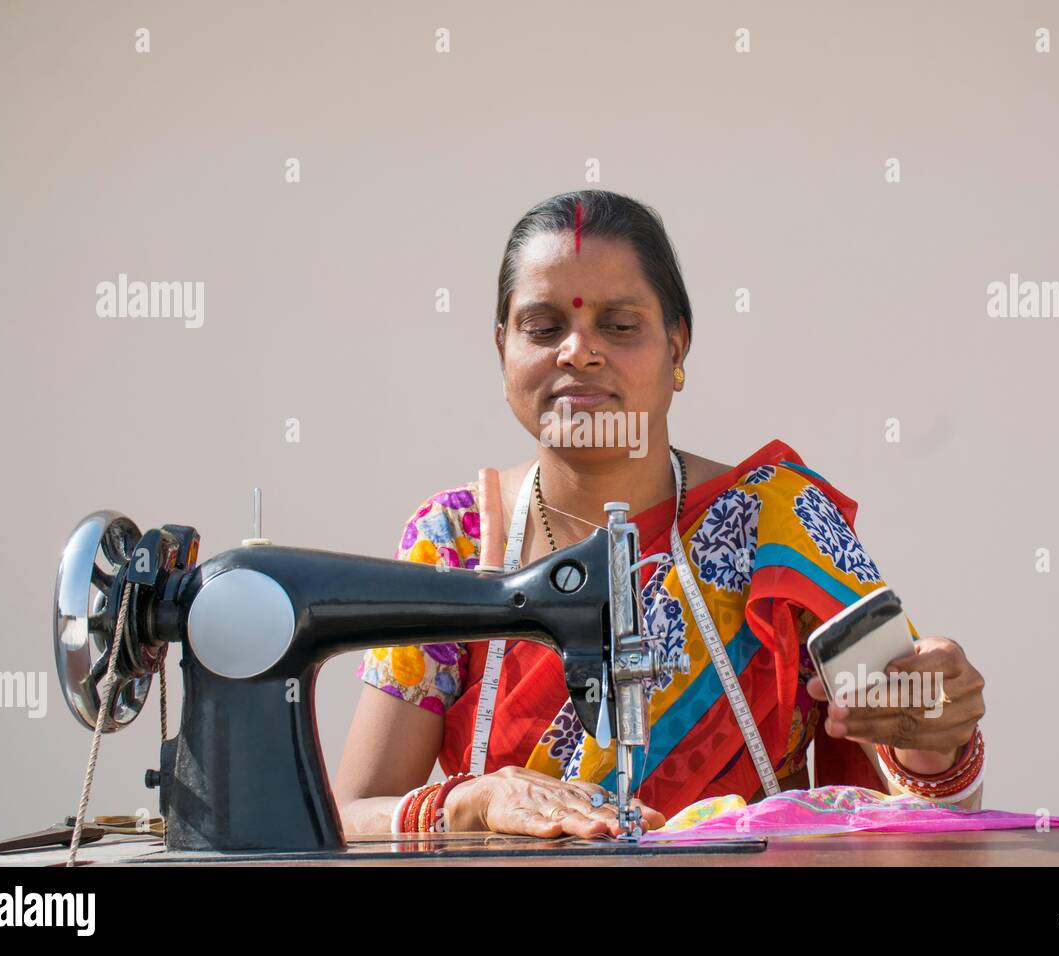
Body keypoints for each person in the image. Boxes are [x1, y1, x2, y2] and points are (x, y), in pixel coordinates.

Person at [333, 189, 987, 838]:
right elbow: (348, 813)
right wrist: (471, 801)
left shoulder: (782, 523)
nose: (578, 352)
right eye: (543, 327)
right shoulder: (454, 541)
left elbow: (927, 793)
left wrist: (935, 733)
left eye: (619, 326)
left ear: (678, 347)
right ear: (501, 348)